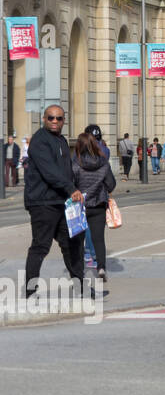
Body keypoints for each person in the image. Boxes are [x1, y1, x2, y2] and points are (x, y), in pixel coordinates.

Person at [23, 105, 87, 299]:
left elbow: (66, 171)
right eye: (51, 117)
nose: (54, 121)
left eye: (59, 118)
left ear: (63, 121)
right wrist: (71, 189)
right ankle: (30, 291)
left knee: (72, 244)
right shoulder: (40, 141)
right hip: (42, 202)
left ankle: (80, 287)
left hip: (61, 201)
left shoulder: (61, 140)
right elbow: (50, 172)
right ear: (44, 119)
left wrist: (75, 190)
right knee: (40, 246)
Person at [72, 131, 116, 289]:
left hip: (80, 205)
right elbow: (111, 184)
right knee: (99, 239)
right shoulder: (103, 162)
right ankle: (101, 267)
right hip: (98, 204)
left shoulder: (75, 163)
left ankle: (79, 272)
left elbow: (71, 183)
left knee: (77, 240)